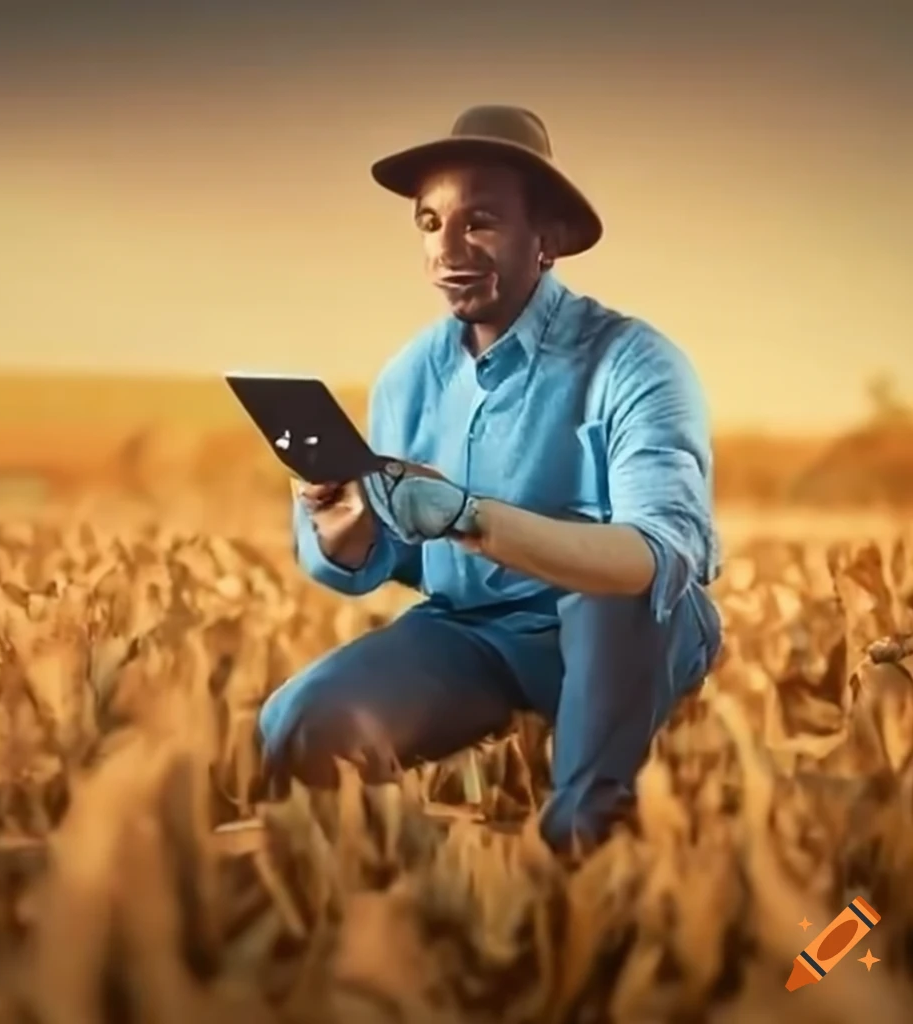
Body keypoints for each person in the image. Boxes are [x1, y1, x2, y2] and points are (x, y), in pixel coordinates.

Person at [257, 105, 723, 853]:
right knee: (298, 725)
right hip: (471, 634)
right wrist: (347, 530)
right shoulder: (407, 378)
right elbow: (391, 557)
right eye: (428, 222)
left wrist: (472, 517)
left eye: (479, 222)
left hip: (624, 628)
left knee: (586, 809)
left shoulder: (635, 362)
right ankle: (415, 893)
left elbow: (656, 558)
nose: (447, 249)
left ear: (550, 239)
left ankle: (583, 852)